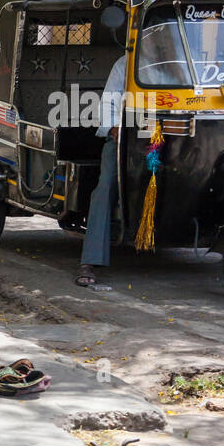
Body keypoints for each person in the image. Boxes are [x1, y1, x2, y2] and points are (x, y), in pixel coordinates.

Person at [76, 53, 128, 288]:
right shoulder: (126, 62)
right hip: (125, 140)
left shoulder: (181, 58)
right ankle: (90, 260)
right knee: (106, 186)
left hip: (166, 136)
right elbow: (109, 101)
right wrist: (115, 128)